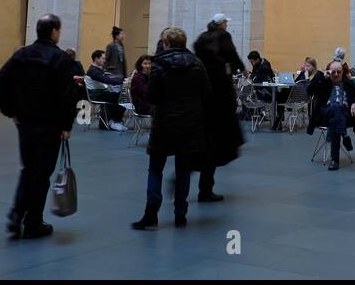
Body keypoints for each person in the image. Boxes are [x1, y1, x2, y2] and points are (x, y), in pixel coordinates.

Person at [0, 13, 85, 240]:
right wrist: (66, 125)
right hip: (50, 125)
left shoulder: (22, 55)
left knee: (28, 170)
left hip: (26, 123)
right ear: (54, 32)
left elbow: (1, 80)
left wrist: (11, 111)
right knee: (42, 173)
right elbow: (68, 96)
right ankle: (33, 221)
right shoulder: (62, 60)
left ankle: (17, 215)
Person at [132, 28, 211, 230]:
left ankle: (151, 214)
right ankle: (180, 214)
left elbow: (151, 96)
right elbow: (206, 93)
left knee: (156, 168)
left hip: (164, 123)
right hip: (189, 124)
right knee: (183, 170)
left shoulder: (159, 65)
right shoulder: (197, 64)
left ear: (166, 43)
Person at [191, 16, 245, 201]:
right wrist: (241, 67)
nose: (227, 25)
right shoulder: (223, 38)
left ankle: (191, 181)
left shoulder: (201, 39)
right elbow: (233, 55)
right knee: (214, 149)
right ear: (221, 24)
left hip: (202, 107)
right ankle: (205, 189)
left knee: (201, 148)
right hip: (220, 109)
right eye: (226, 22)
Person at [306, 60, 355, 170]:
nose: (336, 75)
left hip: (343, 115)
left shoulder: (347, 83)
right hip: (326, 113)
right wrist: (323, 78)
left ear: (342, 72)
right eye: (333, 72)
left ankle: (335, 161)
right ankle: (345, 135)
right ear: (329, 72)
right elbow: (309, 90)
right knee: (334, 106)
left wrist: (354, 103)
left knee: (334, 122)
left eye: (339, 72)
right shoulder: (324, 82)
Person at [86, 50, 126, 131]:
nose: (104, 61)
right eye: (103, 58)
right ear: (96, 59)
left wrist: (121, 78)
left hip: (101, 93)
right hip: (96, 95)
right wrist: (123, 80)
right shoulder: (93, 71)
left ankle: (111, 121)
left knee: (118, 96)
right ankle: (115, 121)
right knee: (122, 97)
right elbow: (106, 80)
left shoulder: (96, 69)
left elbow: (107, 78)